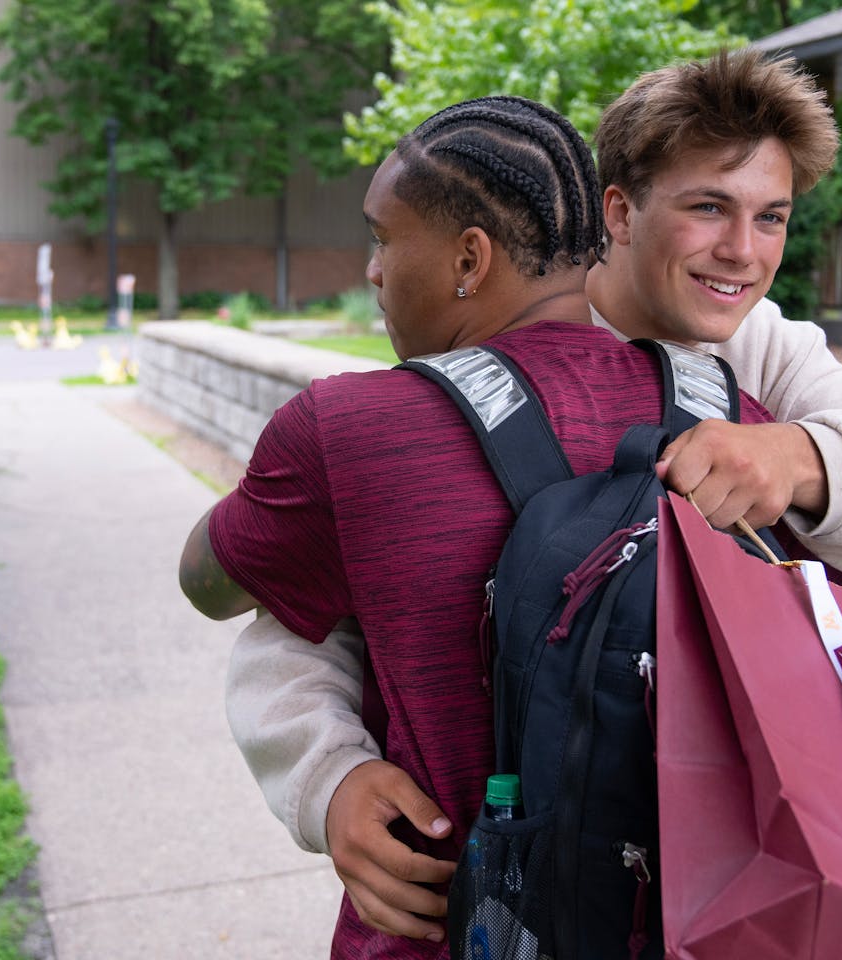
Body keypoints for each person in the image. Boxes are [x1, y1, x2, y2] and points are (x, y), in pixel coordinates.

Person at [221, 50, 842, 945]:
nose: (743, 251)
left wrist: (798, 455)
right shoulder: (486, 343)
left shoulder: (760, 354)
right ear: (617, 212)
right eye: (708, 208)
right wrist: (328, 776)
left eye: (771, 216)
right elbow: (326, 614)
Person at [182, 94, 723, 956]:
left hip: (442, 925)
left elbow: (207, 583)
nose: (373, 271)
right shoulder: (731, 418)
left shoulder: (349, 428)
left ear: (469, 258)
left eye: (383, 239)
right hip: (687, 926)